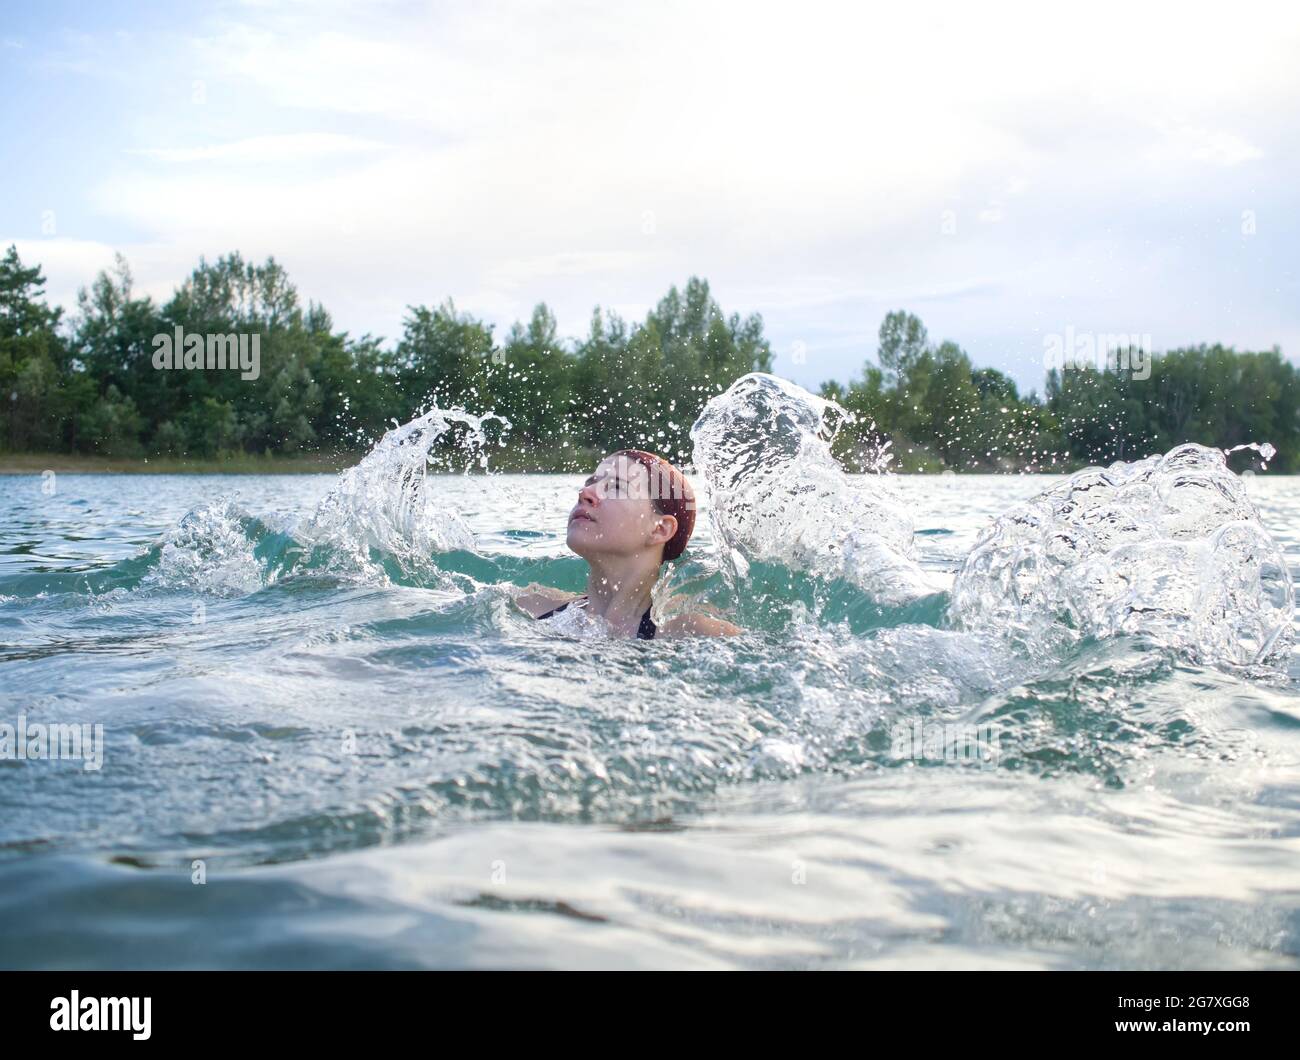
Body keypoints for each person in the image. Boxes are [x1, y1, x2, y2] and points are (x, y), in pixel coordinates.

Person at [513, 449, 740, 638]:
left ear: (660, 529)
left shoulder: (692, 630)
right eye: (590, 483)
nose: (585, 492)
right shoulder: (526, 605)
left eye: (615, 487)